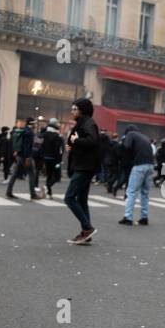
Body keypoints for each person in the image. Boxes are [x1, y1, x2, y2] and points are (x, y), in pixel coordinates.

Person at [64, 98, 101, 244]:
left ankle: (87, 228)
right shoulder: (82, 123)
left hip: (85, 167)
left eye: (74, 109)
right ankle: (87, 233)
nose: (72, 111)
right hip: (83, 165)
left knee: (69, 198)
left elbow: (92, 141)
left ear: (82, 110)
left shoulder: (88, 123)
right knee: (81, 199)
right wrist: (72, 146)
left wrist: (75, 141)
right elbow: (81, 142)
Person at [117, 123, 154, 226]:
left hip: (139, 166)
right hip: (150, 166)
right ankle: (144, 218)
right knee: (145, 193)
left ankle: (128, 217)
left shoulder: (131, 134)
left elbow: (127, 146)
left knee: (131, 191)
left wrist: (123, 141)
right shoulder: (145, 137)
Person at [5, 117, 37, 199]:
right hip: (26, 156)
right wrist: (27, 158)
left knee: (15, 174)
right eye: (34, 123)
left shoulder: (21, 130)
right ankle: (33, 194)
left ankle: (8, 191)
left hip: (19, 155)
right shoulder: (29, 133)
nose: (35, 125)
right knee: (32, 174)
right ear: (31, 124)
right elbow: (27, 146)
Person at [39, 118, 64, 198]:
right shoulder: (57, 136)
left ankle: (49, 193)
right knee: (57, 176)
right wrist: (60, 160)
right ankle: (47, 187)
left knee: (49, 175)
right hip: (55, 159)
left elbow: (41, 146)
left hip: (46, 158)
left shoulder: (45, 134)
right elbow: (59, 149)